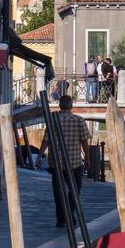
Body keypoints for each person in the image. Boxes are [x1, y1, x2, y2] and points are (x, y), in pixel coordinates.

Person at [42, 95, 92, 226]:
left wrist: (40, 156)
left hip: (56, 162)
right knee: (75, 189)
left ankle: (61, 219)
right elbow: (84, 141)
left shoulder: (53, 120)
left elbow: (46, 140)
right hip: (74, 162)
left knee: (58, 192)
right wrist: (87, 158)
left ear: (59, 105)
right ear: (71, 106)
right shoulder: (79, 120)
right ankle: (70, 214)